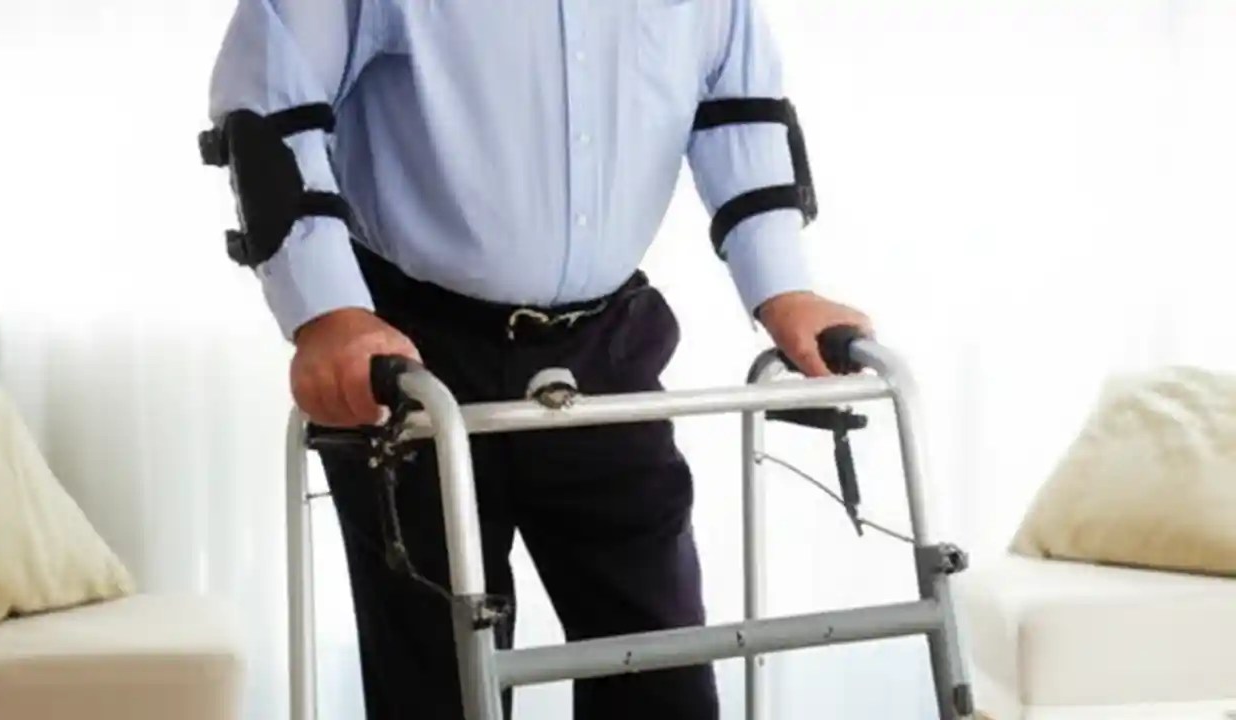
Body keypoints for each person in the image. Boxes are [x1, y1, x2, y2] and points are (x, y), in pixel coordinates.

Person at [208, 2, 872, 718]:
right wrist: (328, 311)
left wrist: (781, 289)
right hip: (413, 356)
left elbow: (737, 110)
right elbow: (271, 100)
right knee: (438, 677)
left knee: (661, 669)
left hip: (604, 347)